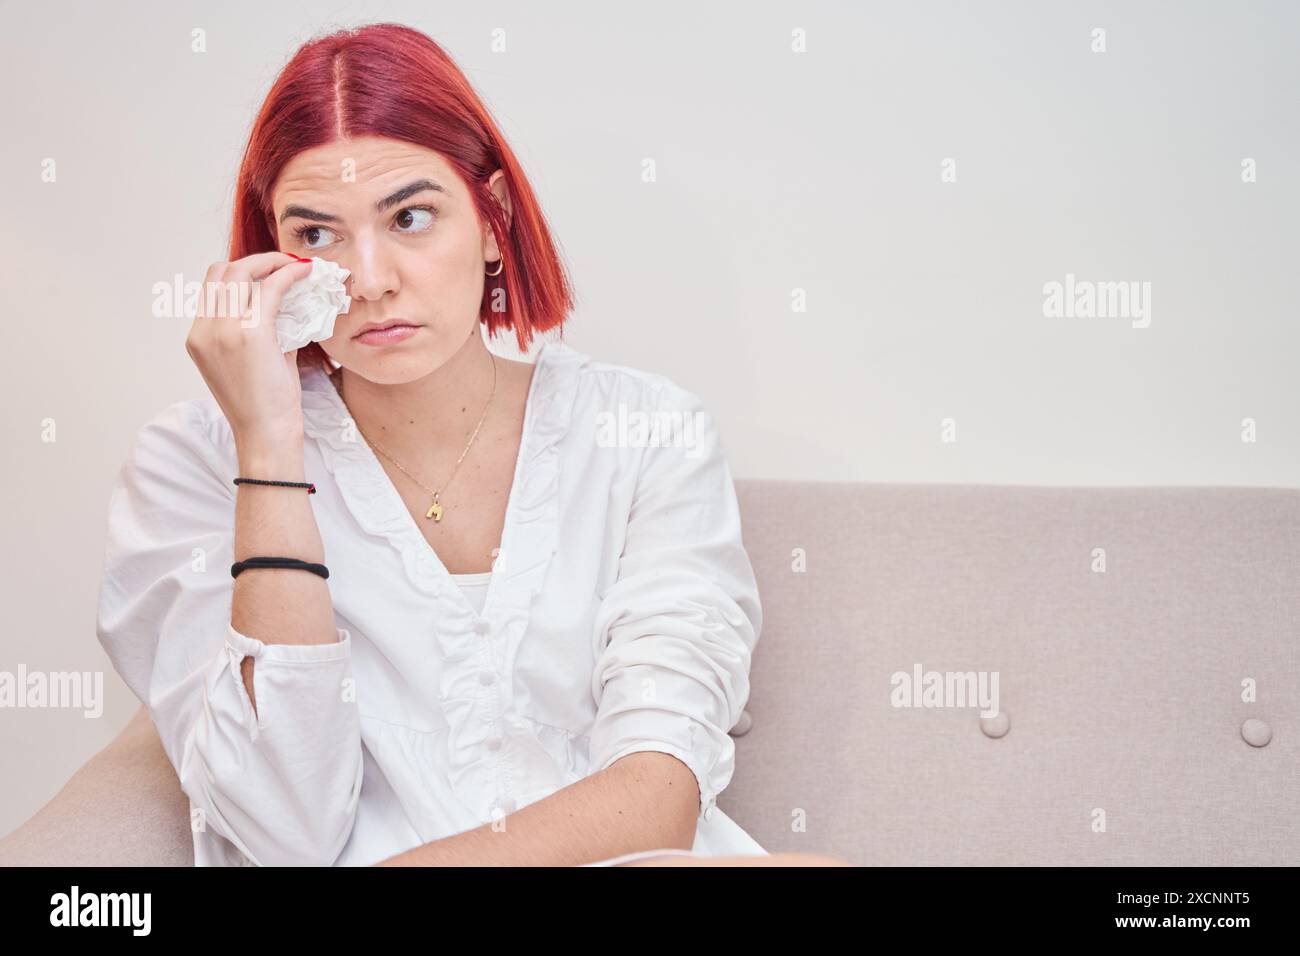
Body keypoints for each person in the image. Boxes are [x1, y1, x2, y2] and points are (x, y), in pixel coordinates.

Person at [95, 22, 843, 868]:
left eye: (410, 217)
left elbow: (659, 793)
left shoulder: (644, 434)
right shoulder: (193, 465)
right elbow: (282, 826)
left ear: (494, 221)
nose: (371, 279)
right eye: (315, 236)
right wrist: (267, 444)